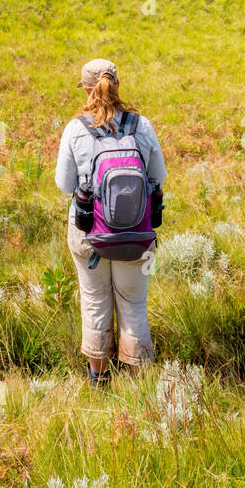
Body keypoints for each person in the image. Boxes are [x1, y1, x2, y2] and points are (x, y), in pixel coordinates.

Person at [55, 58, 167, 384]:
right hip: (137, 234)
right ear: (117, 85)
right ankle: (139, 387)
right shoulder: (141, 125)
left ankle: (99, 381)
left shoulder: (76, 128)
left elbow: (64, 185)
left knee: (94, 302)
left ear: (87, 89)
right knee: (133, 304)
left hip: (90, 233)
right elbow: (159, 177)